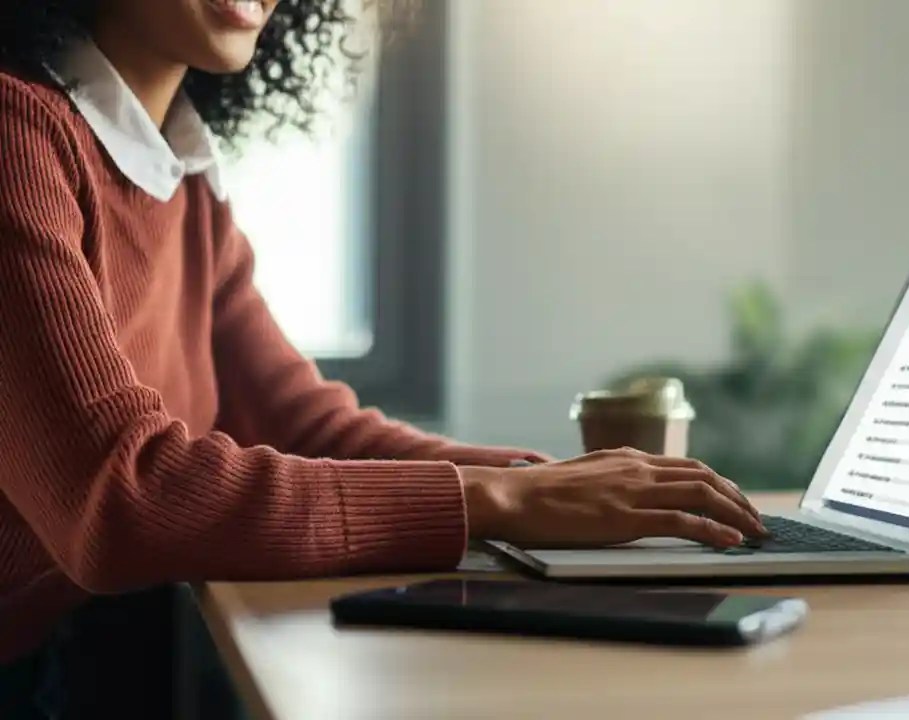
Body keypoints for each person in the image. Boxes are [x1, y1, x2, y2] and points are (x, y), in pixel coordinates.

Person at [0, 0, 767, 714]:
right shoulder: (14, 135)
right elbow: (121, 499)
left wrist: (557, 489)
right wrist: (495, 503)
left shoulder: (179, 177)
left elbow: (301, 423)